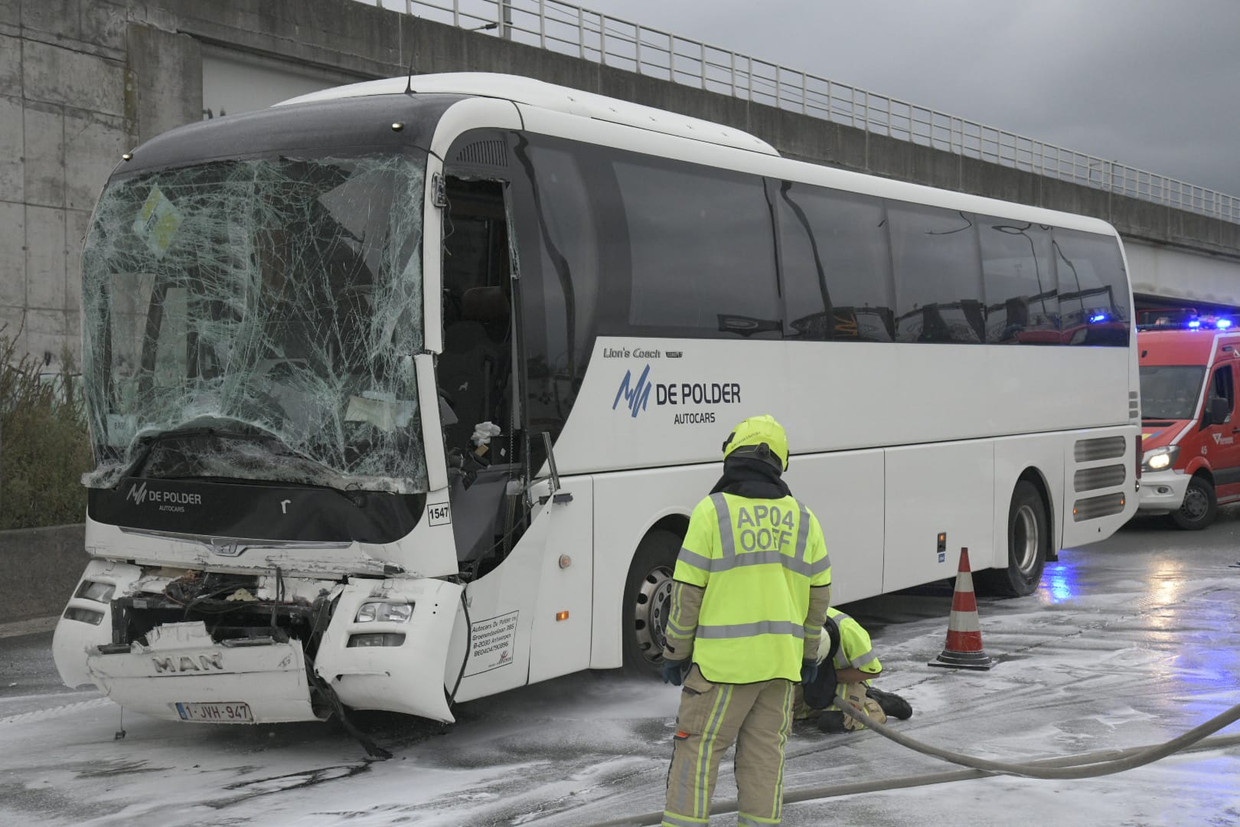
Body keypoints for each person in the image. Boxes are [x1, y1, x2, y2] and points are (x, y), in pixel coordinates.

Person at [660, 414, 832, 827]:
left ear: (733, 455)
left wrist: (674, 652)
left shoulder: (712, 512)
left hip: (723, 668)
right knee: (763, 760)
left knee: (697, 754)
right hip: (779, 669)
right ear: (779, 462)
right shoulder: (804, 518)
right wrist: (807, 658)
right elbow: (818, 600)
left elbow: (687, 596)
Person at [798, 607, 913, 733]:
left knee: (833, 722)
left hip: (846, 679)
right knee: (785, 712)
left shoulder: (849, 632)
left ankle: (874, 703)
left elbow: (872, 671)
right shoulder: (796, 623)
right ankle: (823, 704)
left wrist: (828, 678)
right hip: (808, 674)